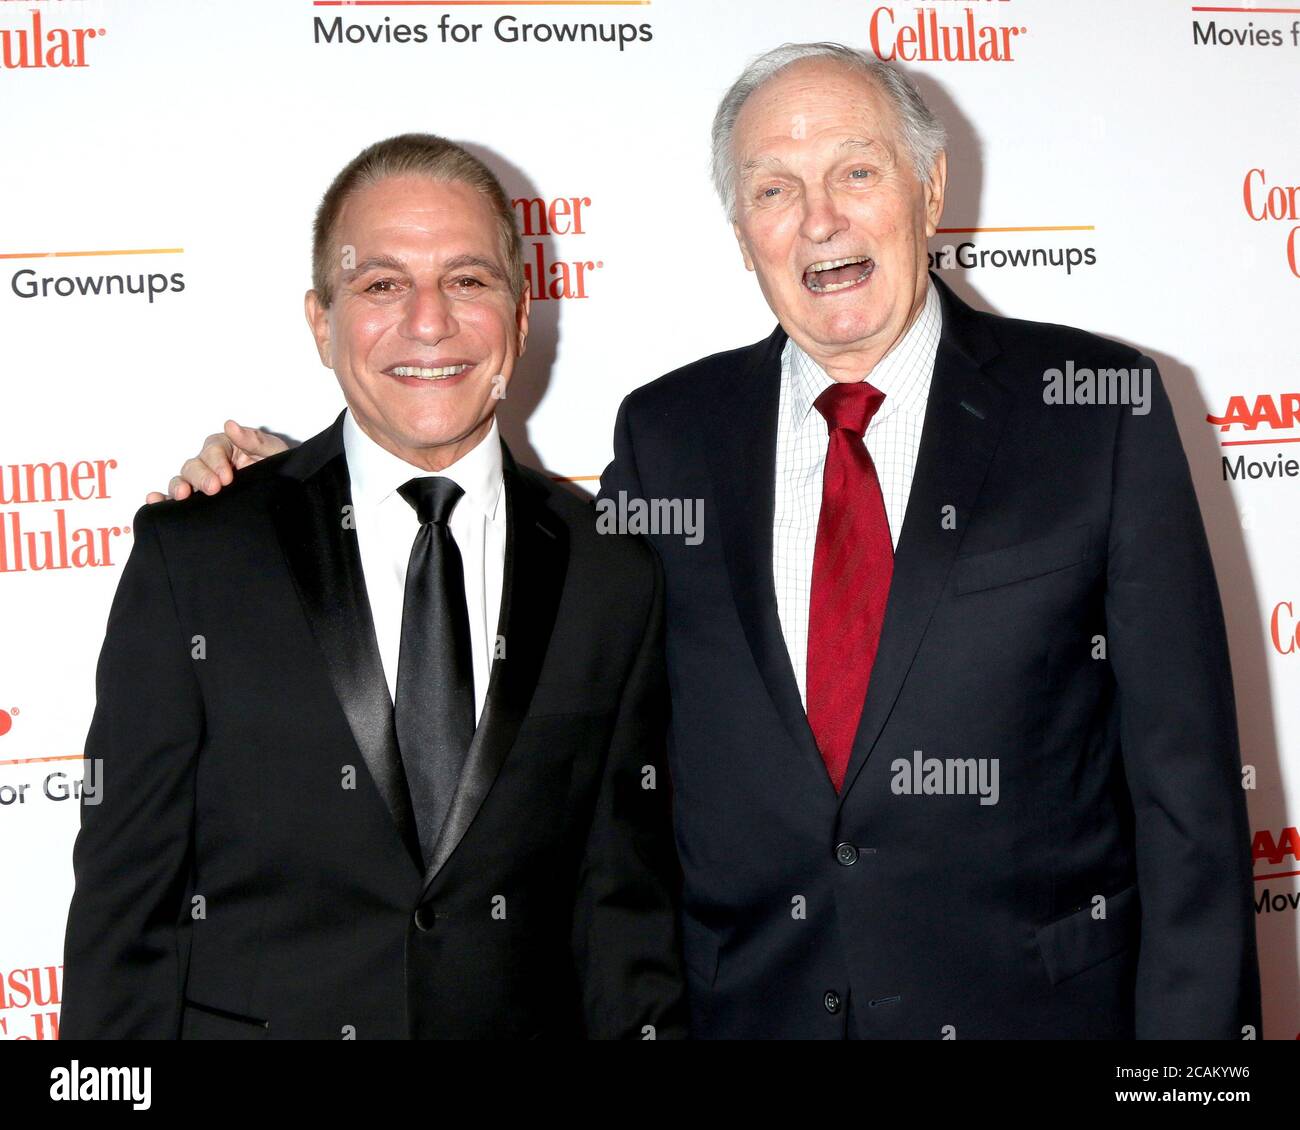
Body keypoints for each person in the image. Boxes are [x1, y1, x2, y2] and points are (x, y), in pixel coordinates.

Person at [154, 45, 1262, 1039]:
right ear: (741, 233)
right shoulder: (669, 434)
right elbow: (521, 569)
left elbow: (1191, 809)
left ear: (928, 189)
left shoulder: (1096, 411)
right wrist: (307, 484)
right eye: (773, 190)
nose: (817, 218)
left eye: (854, 172)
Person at [60, 134, 686, 1040]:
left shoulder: (610, 571)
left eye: (469, 280)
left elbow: (624, 922)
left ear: (519, 319)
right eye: (383, 284)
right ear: (321, 322)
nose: (429, 322)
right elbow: (125, 916)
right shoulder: (198, 554)